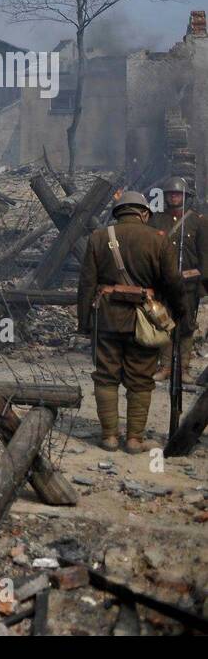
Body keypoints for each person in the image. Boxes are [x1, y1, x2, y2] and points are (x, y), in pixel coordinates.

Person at [78, 190, 185, 453]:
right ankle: (135, 439)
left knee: (106, 376)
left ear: (118, 213)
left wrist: (85, 322)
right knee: (140, 378)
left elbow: (86, 285)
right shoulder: (158, 240)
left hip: (107, 319)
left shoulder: (99, 237)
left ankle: (109, 437)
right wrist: (179, 314)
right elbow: (172, 282)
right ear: (144, 213)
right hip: (145, 321)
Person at [147, 176, 204, 383]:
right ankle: (165, 368)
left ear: (185, 196)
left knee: (187, 326)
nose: (174, 197)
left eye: (178, 194)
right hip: (163, 284)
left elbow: (204, 257)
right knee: (164, 323)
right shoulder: (156, 220)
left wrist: (195, 275)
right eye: (171, 194)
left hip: (188, 286)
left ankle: (184, 369)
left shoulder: (196, 221)